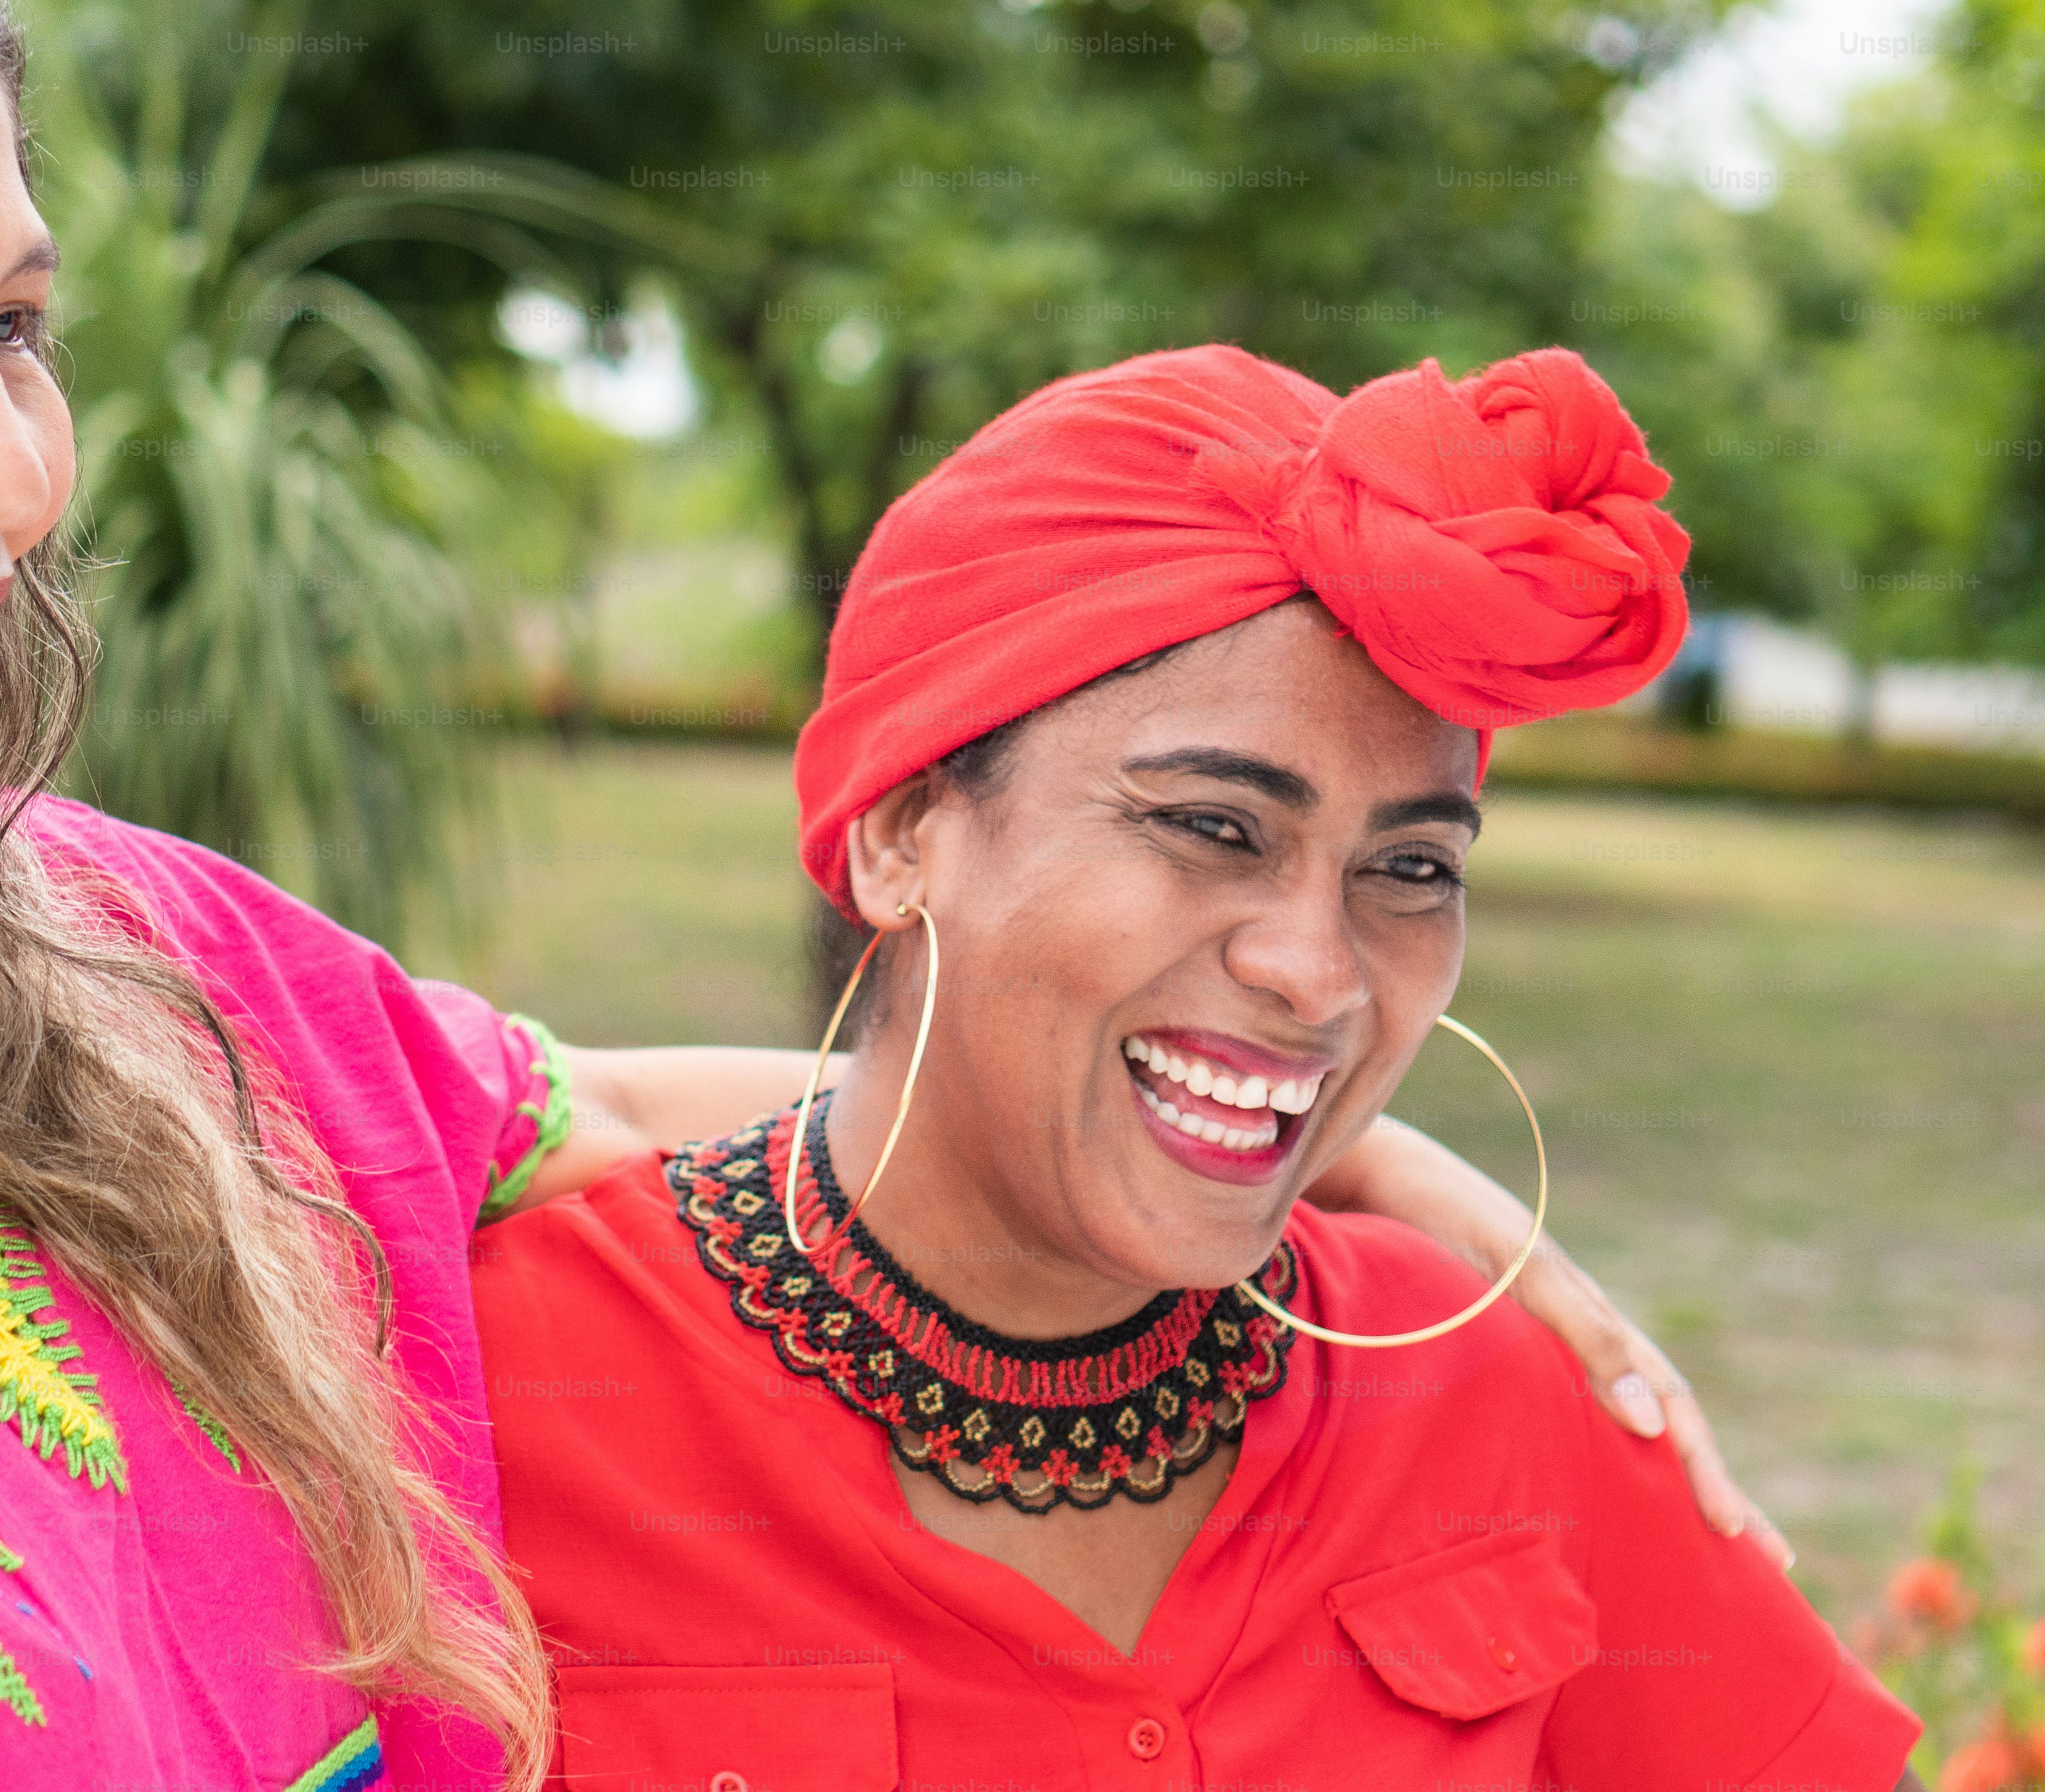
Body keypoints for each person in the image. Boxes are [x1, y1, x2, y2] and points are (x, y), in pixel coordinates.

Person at [0, 3, 1776, 1788]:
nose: (6, 467)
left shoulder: (118, 968)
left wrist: (1350, 1136)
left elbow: (591, 1104)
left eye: (12, 329)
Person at [470, 344, 1929, 1788]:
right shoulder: (471, 1402)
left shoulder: (1487, 1382)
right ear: (903, 833)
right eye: (1213, 828)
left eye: (1410, 867)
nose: (1319, 971)